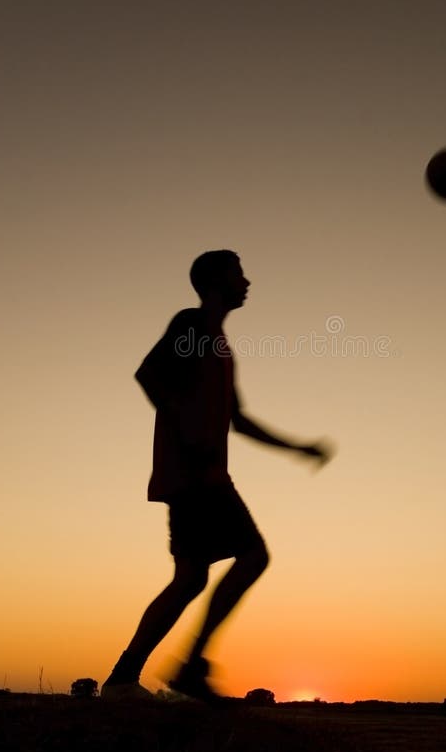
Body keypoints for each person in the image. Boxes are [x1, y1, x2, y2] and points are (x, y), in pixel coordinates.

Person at [101, 250, 331, 702]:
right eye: (238, 273)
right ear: (214, 281)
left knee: (190, 579)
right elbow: (148, 374)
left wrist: (296, 448)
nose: (247, 281)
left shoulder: (219, 346)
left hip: (195, 476)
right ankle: (191, 665)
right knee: (253, 556)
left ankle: (123, 679)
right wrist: (186, 433)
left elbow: (238, 419)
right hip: (196, 475)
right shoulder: (192, 325)